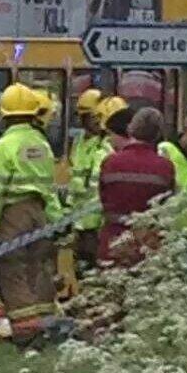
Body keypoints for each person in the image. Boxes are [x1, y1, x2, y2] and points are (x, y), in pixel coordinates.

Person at [0, 83, 63, 344]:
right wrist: (56, 222)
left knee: (11, 272)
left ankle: (28, 335)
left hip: (13, 216)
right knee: (36, 270)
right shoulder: (41, 144)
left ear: (4, 115)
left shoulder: (4, 146)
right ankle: (47, 326)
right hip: (40, 215)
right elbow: (49, 189)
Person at [98, 107, 174, 267]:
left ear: (131, 129)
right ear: (157, 134)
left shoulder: (110, 163)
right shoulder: (165, 167)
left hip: (112, 241)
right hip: (147, 246)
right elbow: (168, 206)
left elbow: (103, 197)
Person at [67, 90, 112, 267]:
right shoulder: (78, 142)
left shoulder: (105, 145)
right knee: (81, 268)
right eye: (86, 117)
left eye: (94, 117)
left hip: (97, 223)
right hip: (79, 221)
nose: (90, 122)